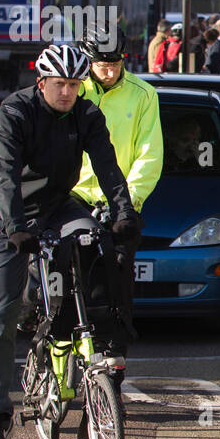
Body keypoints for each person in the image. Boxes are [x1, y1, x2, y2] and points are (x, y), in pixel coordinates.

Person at [0, 44, 138, 439]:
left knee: (92, 238)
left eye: (74, 85)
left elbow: (107, 166)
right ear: (41, 82)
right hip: (7, 218)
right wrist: (15, 227)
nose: (68, 92)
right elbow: (5, 176)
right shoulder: (15, 111)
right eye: (60, 85)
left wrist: (123, 212)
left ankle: (82, 338)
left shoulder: (85, 113)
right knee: (3, 315)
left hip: (56, 208)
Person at [71, 28, 163, 376]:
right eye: (100, 65)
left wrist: (129, 200)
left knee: (118, 284)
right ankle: (67, 347)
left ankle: (114, 370)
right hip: (76, 197)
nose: (108, 71)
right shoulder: (74, 90)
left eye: (114, 64)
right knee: (72, 278)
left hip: (120, 202)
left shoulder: (143, 94)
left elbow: (149, 153)